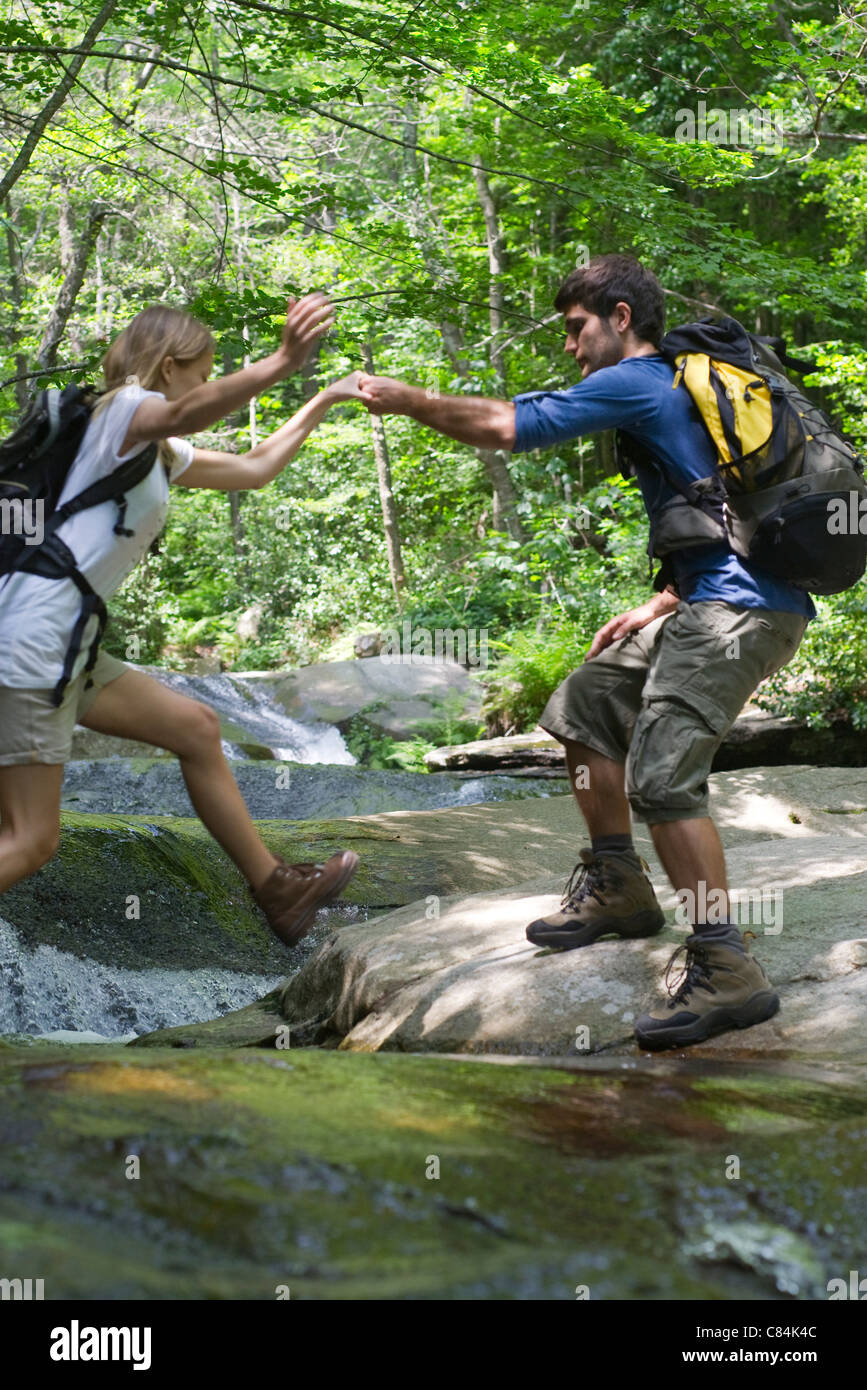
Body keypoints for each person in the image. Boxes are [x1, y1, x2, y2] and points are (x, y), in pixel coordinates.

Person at [357, 253, 813, 1051]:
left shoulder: (640, 379)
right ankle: (619, 886)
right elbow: (713, 510)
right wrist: (657, 601)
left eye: (576, 327)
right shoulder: (672, 387)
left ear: (620, 318)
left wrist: (410, 402)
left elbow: (510, 426)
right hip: (710, 599)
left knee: (664, 776)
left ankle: (725, 963)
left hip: (741, 613)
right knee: (584, 704)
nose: (570, 346)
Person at [0, 296, 362, 948]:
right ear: (169, 367)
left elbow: (253, 469)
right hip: (32, 645)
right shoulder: (125, 410)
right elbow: (188, 409)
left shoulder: (152, 449)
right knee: (30, 840)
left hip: (68, 645)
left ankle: (278, 890)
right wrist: (282, 361)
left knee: (195, 728)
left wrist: (325, 399)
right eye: (202, 371)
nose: (204, 384)